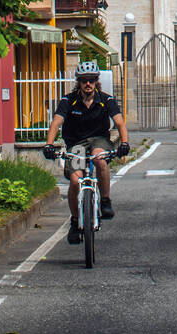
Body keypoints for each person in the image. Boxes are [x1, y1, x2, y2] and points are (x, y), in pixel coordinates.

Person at [43, 62, 130, 244]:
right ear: (79, 82)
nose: (88, 84)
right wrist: (49, 145)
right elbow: (56, 123)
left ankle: (105, 201)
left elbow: (120, 123)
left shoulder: (106, 100)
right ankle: (75, 222)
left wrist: (124, 143)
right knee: (75, 180)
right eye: (84, 81)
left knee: (99, 159)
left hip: (99, 140)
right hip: (77, 144)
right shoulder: (68, 101)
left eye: (91, 80)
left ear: (96, 81)